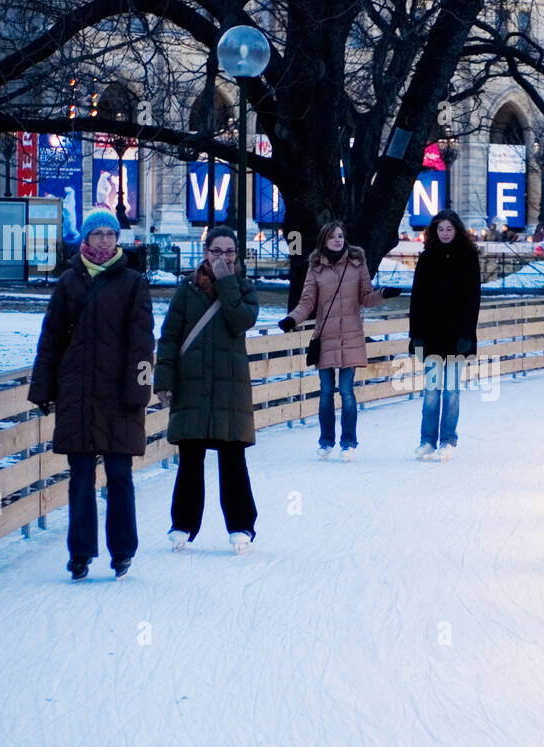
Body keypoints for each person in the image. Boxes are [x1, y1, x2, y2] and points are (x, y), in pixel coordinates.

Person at [29, 208, 154, 582]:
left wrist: (138, 391)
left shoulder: (133, 283)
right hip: (79, 394)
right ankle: (80, 553)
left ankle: (123, 551)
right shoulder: (69, 282)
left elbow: (142, 343)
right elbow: (50, 339)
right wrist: (43, 389)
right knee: (81, 476)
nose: (103, 240)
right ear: (85, 239)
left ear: (118, 240)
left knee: (119, 474)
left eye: (110, 234)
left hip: (119, 397)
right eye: (97, 233)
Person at [153, 226, 260, 555]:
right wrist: (164, 380)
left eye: (229, 251)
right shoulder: (187, 290)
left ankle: (241, 526)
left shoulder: (244, 288)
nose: (223, 257)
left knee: (232, 459)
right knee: (190, 458)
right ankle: (183, 525)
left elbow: (241, 321)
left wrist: (226, 281)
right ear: (205, 253)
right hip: (193, 386)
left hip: (230, 389)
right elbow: (170, 336)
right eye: (216, 251)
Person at [278, 221, 401, 460]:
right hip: (325, 337)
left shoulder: (357, 264)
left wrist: (383, 294)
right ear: (324, 240)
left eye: (341, 236)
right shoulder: (316, 268)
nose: (338, 240)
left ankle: (349, 442)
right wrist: (292, 320)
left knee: (346, 391)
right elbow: (307, 302)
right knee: (325, 392)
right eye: (333, 236)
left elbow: (366, 298)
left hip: (351, 336)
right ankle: (326, 441)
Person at [409, 209, 482, 461]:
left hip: (457, 334)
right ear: (434, 232)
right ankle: (427, 440)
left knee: (451, 389)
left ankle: (448, 439)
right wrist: (416, 335)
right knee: (431, 390)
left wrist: (467, 334)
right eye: (440, 229)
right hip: (431, 334)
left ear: (457, 230)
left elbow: (473, 299)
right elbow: (417, 299)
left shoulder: (469, 257)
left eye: (449, 229)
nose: (445, 233)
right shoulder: (427, 258)